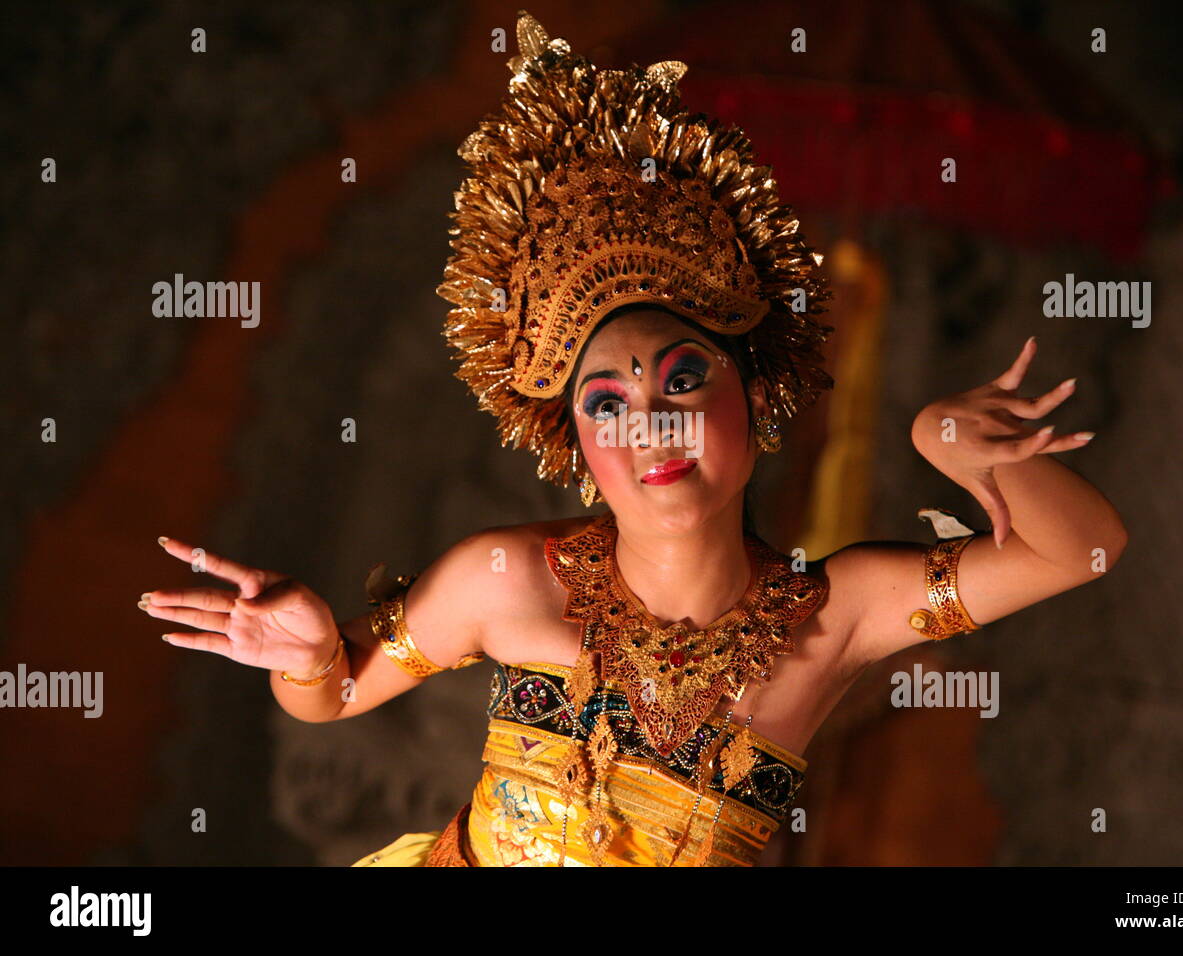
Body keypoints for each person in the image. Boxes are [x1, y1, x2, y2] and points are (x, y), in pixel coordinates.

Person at [139, 12, 1127, 867]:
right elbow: (339, 693)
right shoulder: (503, 578)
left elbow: (1082, 548)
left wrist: (947, 435)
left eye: (684, 378)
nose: (648, 419)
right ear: (575, 440)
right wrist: (312, 656)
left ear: (752, 395)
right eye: (607, 402)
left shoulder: (836, 616)